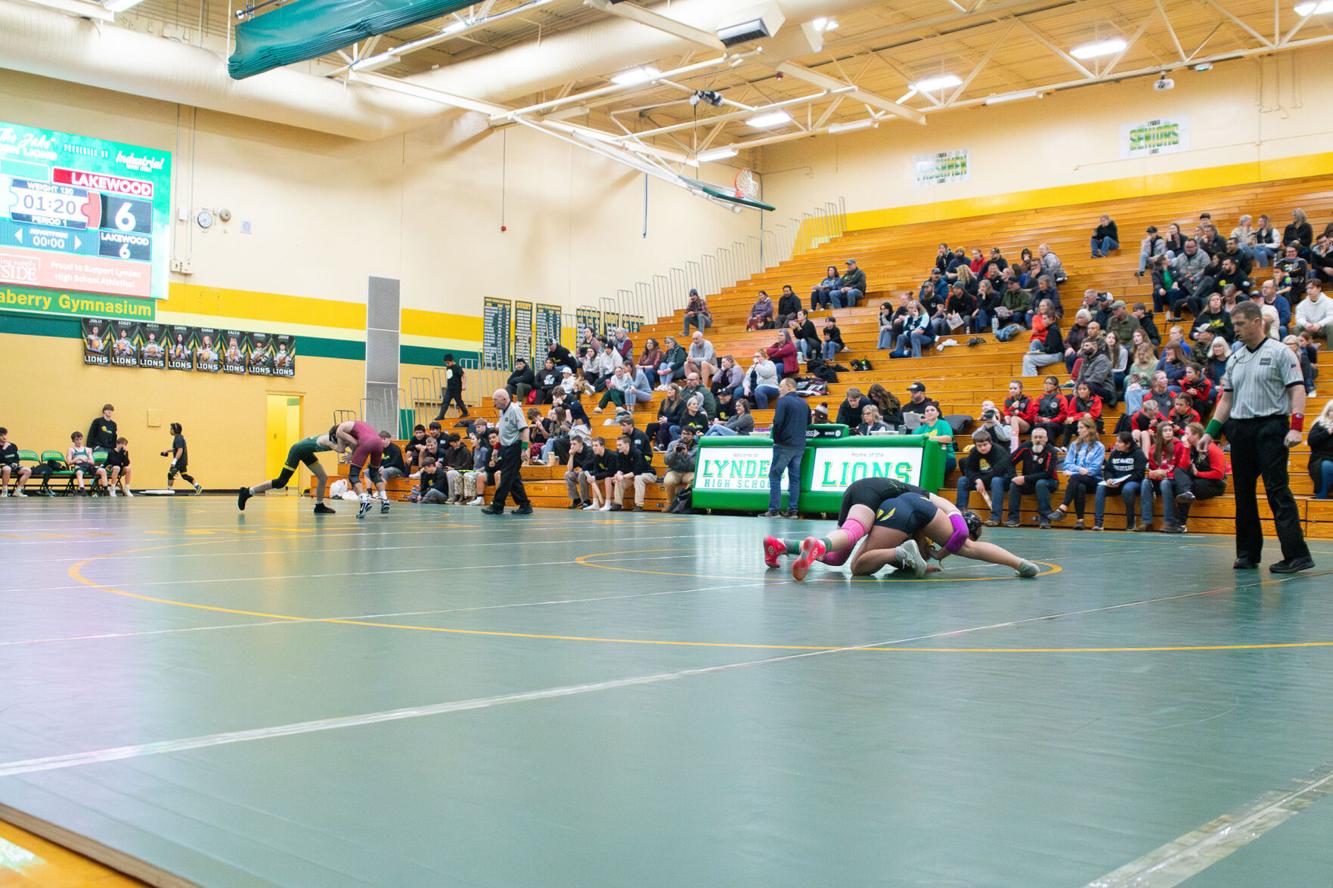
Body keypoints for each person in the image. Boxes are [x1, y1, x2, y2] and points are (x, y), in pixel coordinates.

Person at [1202, 301, 1313, 571]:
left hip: (1270, 427)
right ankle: (1248, 553)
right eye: (1234, 324)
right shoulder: (1235, 358)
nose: (1235, 329)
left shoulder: (1280, 352)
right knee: (1243, 494)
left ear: (1256, 321)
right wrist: (1209, 433)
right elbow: (1226, 400)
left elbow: (1297, 390)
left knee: (1277, 490)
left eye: (1240, 324)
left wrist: (1296, 426)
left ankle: (1297, 554)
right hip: (1240, 430)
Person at [847, 490, 1039, 578]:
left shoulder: (868, 500)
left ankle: (900, 552)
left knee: (858, 566)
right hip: (923, 505)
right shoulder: (950, 516)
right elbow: (959, 538)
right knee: (968, 547)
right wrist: (933, 557)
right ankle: (1019, 563)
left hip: (898, 507)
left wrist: (908, 555)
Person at [238, 430, 338, 513]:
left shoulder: (339, 437)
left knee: (322, 477)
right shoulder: (331, 440)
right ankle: (247, 491)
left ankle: (319, 505)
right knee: (281, 482)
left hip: (306, 452)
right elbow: (341, 449)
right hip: (297, 451)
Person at [1167, 422, 1228, 532]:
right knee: (1179, 472)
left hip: (1215, 484)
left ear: (1196, 435)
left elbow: (1218, 474)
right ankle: (1187, 493)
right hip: (1200, 481)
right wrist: (1186, 448)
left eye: (1187, 434)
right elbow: (1183, 467)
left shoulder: (1211, 448)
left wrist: (1197, 474)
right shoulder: (1191, 447)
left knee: (1189, 486)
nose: (1184, 436)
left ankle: (1180, 523)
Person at [1046, 416, 1104, 529]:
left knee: (1075, 478)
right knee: (1080, 486)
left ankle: (1062, 508)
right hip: (1079, 479)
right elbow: (1067, 464)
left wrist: (1074, 472)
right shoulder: (1074, 445)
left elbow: (1094, 469)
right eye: (1078, 428)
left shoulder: (1099, 447)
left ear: (1089, 429)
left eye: (1081, 428)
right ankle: (1080, 521)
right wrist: (1079, 470)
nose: (1078, 430)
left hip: (1094, 480)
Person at [482, 389, 534, 515]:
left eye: (495, 400)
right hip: (505, 448)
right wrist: (496, 448)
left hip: (515, 448)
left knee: (506, 476)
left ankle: (497, 505)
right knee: (513, 478)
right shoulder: (502, 411)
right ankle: (525, 505)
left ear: (504, 399)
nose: (494, 403)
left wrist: (524, 449)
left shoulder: (515, 410)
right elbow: (502, 432)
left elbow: (525, 430)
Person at [764, 378, 808, 518]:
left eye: (781, 386)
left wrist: (776, 439)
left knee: (775, 475)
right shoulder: (804, 402)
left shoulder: (783, 401)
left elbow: (777, 422)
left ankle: (774, 509)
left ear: (789, 386)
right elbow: (809, 422)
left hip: (784, 445)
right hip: (800, 445)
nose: (779, 389)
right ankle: (793, 510)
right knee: (794, 478)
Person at [330, 420, 388, 517]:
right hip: (378, 443)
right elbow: (357, 443)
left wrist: (332, 445)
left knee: (353, 476)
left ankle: (364, 500)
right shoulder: (356, 425)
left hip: (366, 443)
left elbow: (354, 444)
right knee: (374, 473)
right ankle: (385, 500)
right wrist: (352, 454)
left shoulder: (339, 430)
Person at [1093, 431, 1147, 531]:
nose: (1116, 444)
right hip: (1116, 484)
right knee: (1100, 488)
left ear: (1128, 444)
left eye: (1119, 442)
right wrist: (1109, 479)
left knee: (1127, 489)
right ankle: (1098, 523)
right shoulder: (1114, 453)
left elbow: (1139, 474)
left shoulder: (1138, 453)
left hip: (1132, 483)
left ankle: (1131, 522)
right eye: (1116, 441)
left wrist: (1121, 482)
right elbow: (1108, 470)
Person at [1005, 426, 1059, 528]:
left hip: (1050, 482)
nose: (1038, 440)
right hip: (1030, 482)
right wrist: (1014, 477)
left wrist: (1025, 478)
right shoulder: (1026, 447)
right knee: (1014, 484)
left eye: (1041, 437)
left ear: (1046, 439)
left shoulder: (1051, 451)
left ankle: (1045, 519)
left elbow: (1047, 473)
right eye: (1035, 437)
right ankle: (1013, 518)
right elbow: (1009, 461)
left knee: (1041, 483)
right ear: (1031, 438)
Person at [956, 429, 1011, 525]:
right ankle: (960, 513)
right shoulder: (974, 452)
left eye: (985, 444)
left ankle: (995, 518)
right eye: (979, 446)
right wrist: (977, 480)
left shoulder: (999, 451)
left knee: (996, 480)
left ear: (990, 442)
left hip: (1001, 480)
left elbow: (998, 472)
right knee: (962, 480)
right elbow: (968, 469)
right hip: (983, 480)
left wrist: (981, 480)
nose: (982, 448)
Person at [1141, 420, 1188, 532]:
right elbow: (1150, 467)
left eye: (1170, 430)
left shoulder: (1179, 446)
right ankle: (1147, 522)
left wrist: (1165, 473)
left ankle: (1169, 522)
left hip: (1172, 480)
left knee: (1165, 483)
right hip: (1158, 479)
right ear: (1159, 434)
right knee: (1145, 482)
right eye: (1165, 431)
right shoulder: (1153, 449)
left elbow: (1181, 468)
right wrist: (1152, 473)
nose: (1168, 433)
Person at [607, 435, 657, 512]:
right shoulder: (620, 453)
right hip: (633, 475)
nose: (618, 447)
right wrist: (618, 474)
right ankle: (618, 504)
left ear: (627, 444)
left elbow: (637, 471)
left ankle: (639, 505)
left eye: (620, 445)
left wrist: (622, 477)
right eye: (617, 445)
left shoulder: (637, 453)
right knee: (618, 480)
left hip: (648, 474)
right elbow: (620, 468)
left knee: (638, 478)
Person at [912, 403, 955, 474]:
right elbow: (913, 439)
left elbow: (948, 439)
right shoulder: (922, 428)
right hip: (927, 457)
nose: (929, 412)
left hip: (945, 457)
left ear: (937, 413)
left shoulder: (943, 424)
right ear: (924, 414)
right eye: (927, 411)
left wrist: (928, 438)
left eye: (932, 410)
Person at [160, 422, 201, 494]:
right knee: (184, 475)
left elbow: (180, 450)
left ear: (174, 430)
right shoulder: (179, 437)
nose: (170, 430)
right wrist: (167, 451)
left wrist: (174, 461)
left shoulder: (178, 438)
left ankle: (169, 490)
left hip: (179, 461)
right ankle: (197, 486)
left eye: (171, 429)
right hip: (183, 461)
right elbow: (176, 449)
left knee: (170, 474)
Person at [663, 427, 697, 509]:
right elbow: (667, 461)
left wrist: (686, 455)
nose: (685, 436)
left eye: (688, 434)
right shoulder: (673, 444)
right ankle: (670, 503)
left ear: (693, 436)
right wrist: (674, 453)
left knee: (694, 480)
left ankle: (684, 504)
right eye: (683, 433)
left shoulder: (697, 447)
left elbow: (695, 465)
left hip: (689, 472)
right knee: (668, 481)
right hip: (675, 471)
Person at [1308, 400, 1333, 499]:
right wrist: (1328, 431)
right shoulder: (1319, 424)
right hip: (1320, 460)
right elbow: (1311, 441)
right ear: (1328, 412)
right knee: (1326, 466)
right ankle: (1320, 498)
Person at [434, 353, 469, 420]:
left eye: (448, 362)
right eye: (446, 363)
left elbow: (463, 375)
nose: (447, 364)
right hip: (449, 388)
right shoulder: (448, 367)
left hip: (456, 388)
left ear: (452, 361)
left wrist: (464, 385)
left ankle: (465, 412)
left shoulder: (457, 367)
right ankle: (441, 415)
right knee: (445, 402)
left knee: (458, 401)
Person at [0, 427, 33, 497]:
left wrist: (16, 463)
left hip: (13, 465)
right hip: (3, 466)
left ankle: (18, 491)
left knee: (28, 470)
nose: (3, 437)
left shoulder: (13, 446)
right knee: (7, 469)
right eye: (1, 435)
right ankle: (4, 492)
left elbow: (16, 457)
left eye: (5, 435)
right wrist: (4, 448)